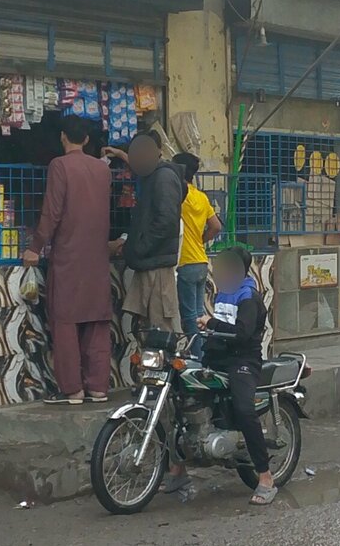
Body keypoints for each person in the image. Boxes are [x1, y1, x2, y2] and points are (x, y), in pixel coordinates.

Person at [165, 246, 276, 505]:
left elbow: (243, 333)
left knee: (244, 409)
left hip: (243, 361)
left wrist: (211, 323)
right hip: (218, 356)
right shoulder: (224, 292)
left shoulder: (249, 296)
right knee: (181, 396)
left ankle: (265, 477)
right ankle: (178, 469)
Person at [22, 114, 119, 405]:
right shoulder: (103, 172)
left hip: (67, 258)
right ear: (87, 140)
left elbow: (52, 212)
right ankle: (99, 388)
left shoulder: (59, 166)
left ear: (63, 137)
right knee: (97, 323)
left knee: (65, 323)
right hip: (98, 259)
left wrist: (35, 247)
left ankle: (73, 390)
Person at [121, 132, 186, 332]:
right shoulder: (151, 177)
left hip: (156, 264)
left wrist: (139, 247)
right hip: (149, 263)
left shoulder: (163, 177)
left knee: (163, 330)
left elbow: (165, 221)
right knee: (149, 330)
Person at [172, 152, 221, 356]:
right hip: (202, 261)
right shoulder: (201, 197)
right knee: (200, 315)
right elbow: (216, 226)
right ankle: (205, 355)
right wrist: (200, 240)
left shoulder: (178, 196)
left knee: (190, 317)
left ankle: (199, 359)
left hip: (185, 262)